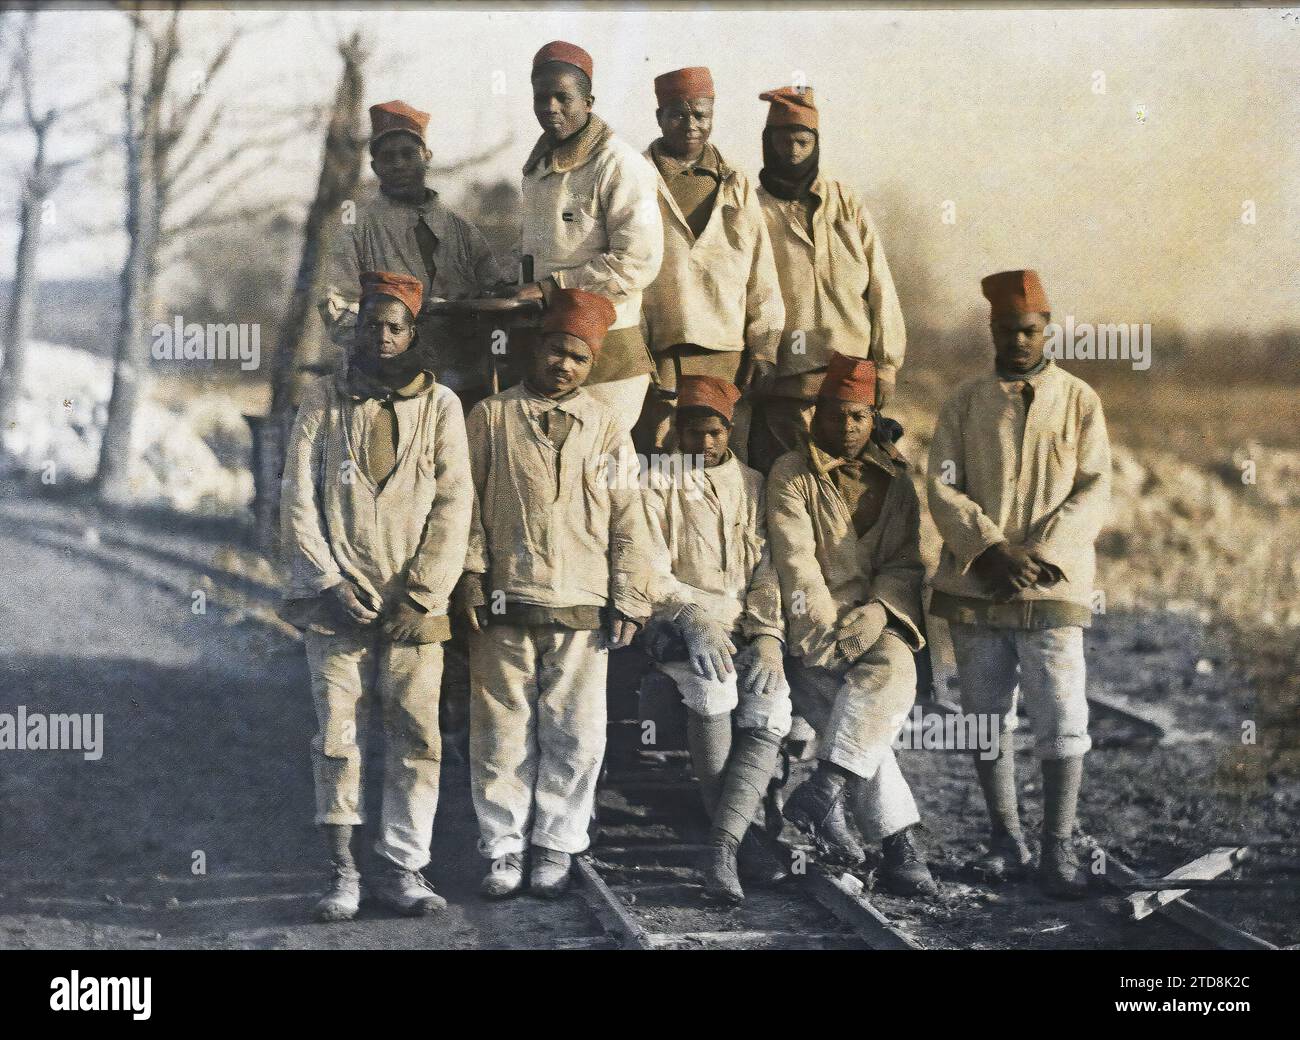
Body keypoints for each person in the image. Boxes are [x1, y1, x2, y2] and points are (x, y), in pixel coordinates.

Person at [280, 270, 473, 921]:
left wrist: (420, 594)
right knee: (337, 737)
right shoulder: (324, 401)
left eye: (396, 326)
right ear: (355, 330)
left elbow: (454, 504)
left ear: (413, 333)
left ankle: (403, 868)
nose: (384, 337)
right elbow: (297, 499)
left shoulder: (441, 407)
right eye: (372, 325)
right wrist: (328, 581)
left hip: (415, 612)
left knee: (416, 736)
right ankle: (342, 870)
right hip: (337, 607)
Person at [457, 287, 653, 899]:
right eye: (554, 351)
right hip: (505, 600)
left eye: (577, 358)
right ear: (533, 350)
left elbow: (630, 517)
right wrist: (469, 572)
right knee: (501, 730)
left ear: (590, 366)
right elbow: (463, 503)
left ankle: (555, 845)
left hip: (581, 602)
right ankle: (504, 849)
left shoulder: (607, 428)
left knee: (576, 732)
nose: (562, 366)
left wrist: (631, 596)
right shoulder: (490, 416)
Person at [927, 269, 1111, 899]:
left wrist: (1042, 550)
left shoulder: (1080, 400)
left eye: (1029, 331)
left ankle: (1058, 843)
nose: (1019, 342)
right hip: (980, 582)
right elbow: (943, 484)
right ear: (992, 331)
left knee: (1061, 711)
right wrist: (990, 547)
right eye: (1007, 331)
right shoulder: (966, 401)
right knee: (985, 716)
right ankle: (1006, 837)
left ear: (1047, 329)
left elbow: (1094, 487)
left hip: (1052, 585)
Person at [767, 352, 937, 896]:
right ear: (815, 415)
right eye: (836, 415)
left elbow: (905, 563)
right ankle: (900, 843)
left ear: (873, 418)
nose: (847, 427)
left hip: (873, 620)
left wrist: (882, 611)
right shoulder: (791, 473)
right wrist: (829, 636)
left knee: (896, 672)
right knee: (853, 705)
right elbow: (796, 563)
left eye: (859, 416)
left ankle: (828, 783)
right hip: (812, 626)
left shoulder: (898, 484)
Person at [639, 375, 792, 902]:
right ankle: (737, 845)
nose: (703, 445)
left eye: (714, 434)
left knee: (771, 703)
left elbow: (773, 567)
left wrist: (769, 635)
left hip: (748, 625)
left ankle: (722, 845)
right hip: (678, 624)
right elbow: (649, 570)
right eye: (693, 432)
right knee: (714, 689)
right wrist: (691, 616)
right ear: (675, 430)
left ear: (730, 429)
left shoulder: (755, 483)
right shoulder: (652, 482)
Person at [749, 86, 905, 474]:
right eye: (783, 141)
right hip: (788, 381)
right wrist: (761, 351)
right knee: (790, 481)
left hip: (850, 381)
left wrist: (886, 364)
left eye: (803, 141)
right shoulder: (752, 207)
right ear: (768, 143)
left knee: (855, 482)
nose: (793, 151)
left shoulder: (845, 203)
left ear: (816, 144)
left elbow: (880, 284)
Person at [514, 41, 663, 437]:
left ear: (588, 100)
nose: (550, 107)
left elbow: (637, 260)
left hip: (609, 350)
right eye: (541, 97)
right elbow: (540, 251)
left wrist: (552, 287)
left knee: (603, 470)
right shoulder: (536, 168)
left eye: (563, 97)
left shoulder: (620, 164)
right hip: (551, 346)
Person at [636, 67, 783, 457]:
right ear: (659, 118)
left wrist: (765, 347)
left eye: (701, 115)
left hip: (726, 350)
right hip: (661, 348)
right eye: (678, 114)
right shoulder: (635, 178)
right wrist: (638, 349)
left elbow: (760, 272)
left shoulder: (736, 181)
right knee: (664, 460)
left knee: (725, 459)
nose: (690, 125)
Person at [322, 99, 507, 402]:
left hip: (462, 374)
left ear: (427, 157)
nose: (399, 165)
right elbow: (335, 302)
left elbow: (493, 285)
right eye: (388, 157)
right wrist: (380, 342)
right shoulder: (359, 230)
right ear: (374, 166)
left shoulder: (458, 227)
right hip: (389, 381)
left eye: (408, 154)